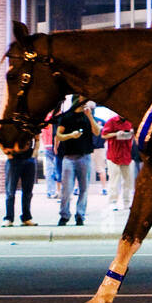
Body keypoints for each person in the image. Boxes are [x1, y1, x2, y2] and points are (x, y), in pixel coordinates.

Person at [54, 95, 98, 226]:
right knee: (66, 188)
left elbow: (97, 132)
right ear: (79, 100)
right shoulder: (67, 117)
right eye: (84, 98)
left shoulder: (88, 116)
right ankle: (64, 215)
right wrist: (71, 135)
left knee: (84, 188)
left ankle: (80, 215)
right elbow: (59, 135)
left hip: (85, 156)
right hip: (69, 157)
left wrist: (90, 116)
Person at [101, 113, 136, 210]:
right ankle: (112, 202)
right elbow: (104, 135)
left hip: (127, 155)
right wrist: (116, 134)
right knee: (114, 180)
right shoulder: (112, 121)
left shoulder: (131, 121)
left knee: (128, 181)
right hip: (114, 155)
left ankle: (127, 202)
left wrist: (132, 133)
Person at [2, 135, 37, 227]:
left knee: (28, 191)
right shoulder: (9, 123)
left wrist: (34, 154)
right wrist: (8, 154)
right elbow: (0, 139)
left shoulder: (30, 124)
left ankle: (26, 217)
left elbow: (37, 138)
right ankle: (9, 218)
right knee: (10, 191)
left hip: (29, 159)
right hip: (13, 159)